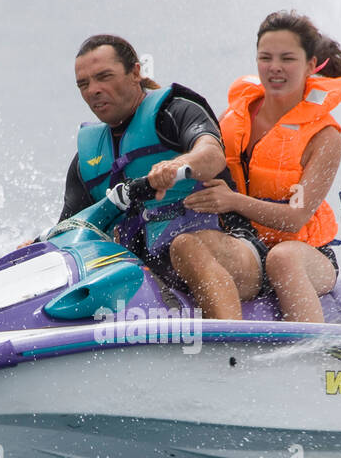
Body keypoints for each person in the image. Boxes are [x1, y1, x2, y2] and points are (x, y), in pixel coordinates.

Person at [179, 12, 341, 323]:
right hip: (245, 246)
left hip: (306, 254)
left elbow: (296, 218)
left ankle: (308, 354)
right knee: (185, 243)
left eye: (287, 58)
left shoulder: (325, 136)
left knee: (283, 258)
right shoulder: (233, 117)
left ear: (310, 65)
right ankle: (218, 350)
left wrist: (232, 201)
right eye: (265, 57)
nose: (275, 67)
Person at [56, 35, 264, 279]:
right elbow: (71, 229)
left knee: (185, 247)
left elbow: (211, 154)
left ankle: (225, 318)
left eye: (104, 77)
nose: (93, 90)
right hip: (151, 276)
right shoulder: (87, 159)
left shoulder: (175, 112)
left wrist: (178, 164)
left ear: (135, 73)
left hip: (232, 253)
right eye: (83, 84)